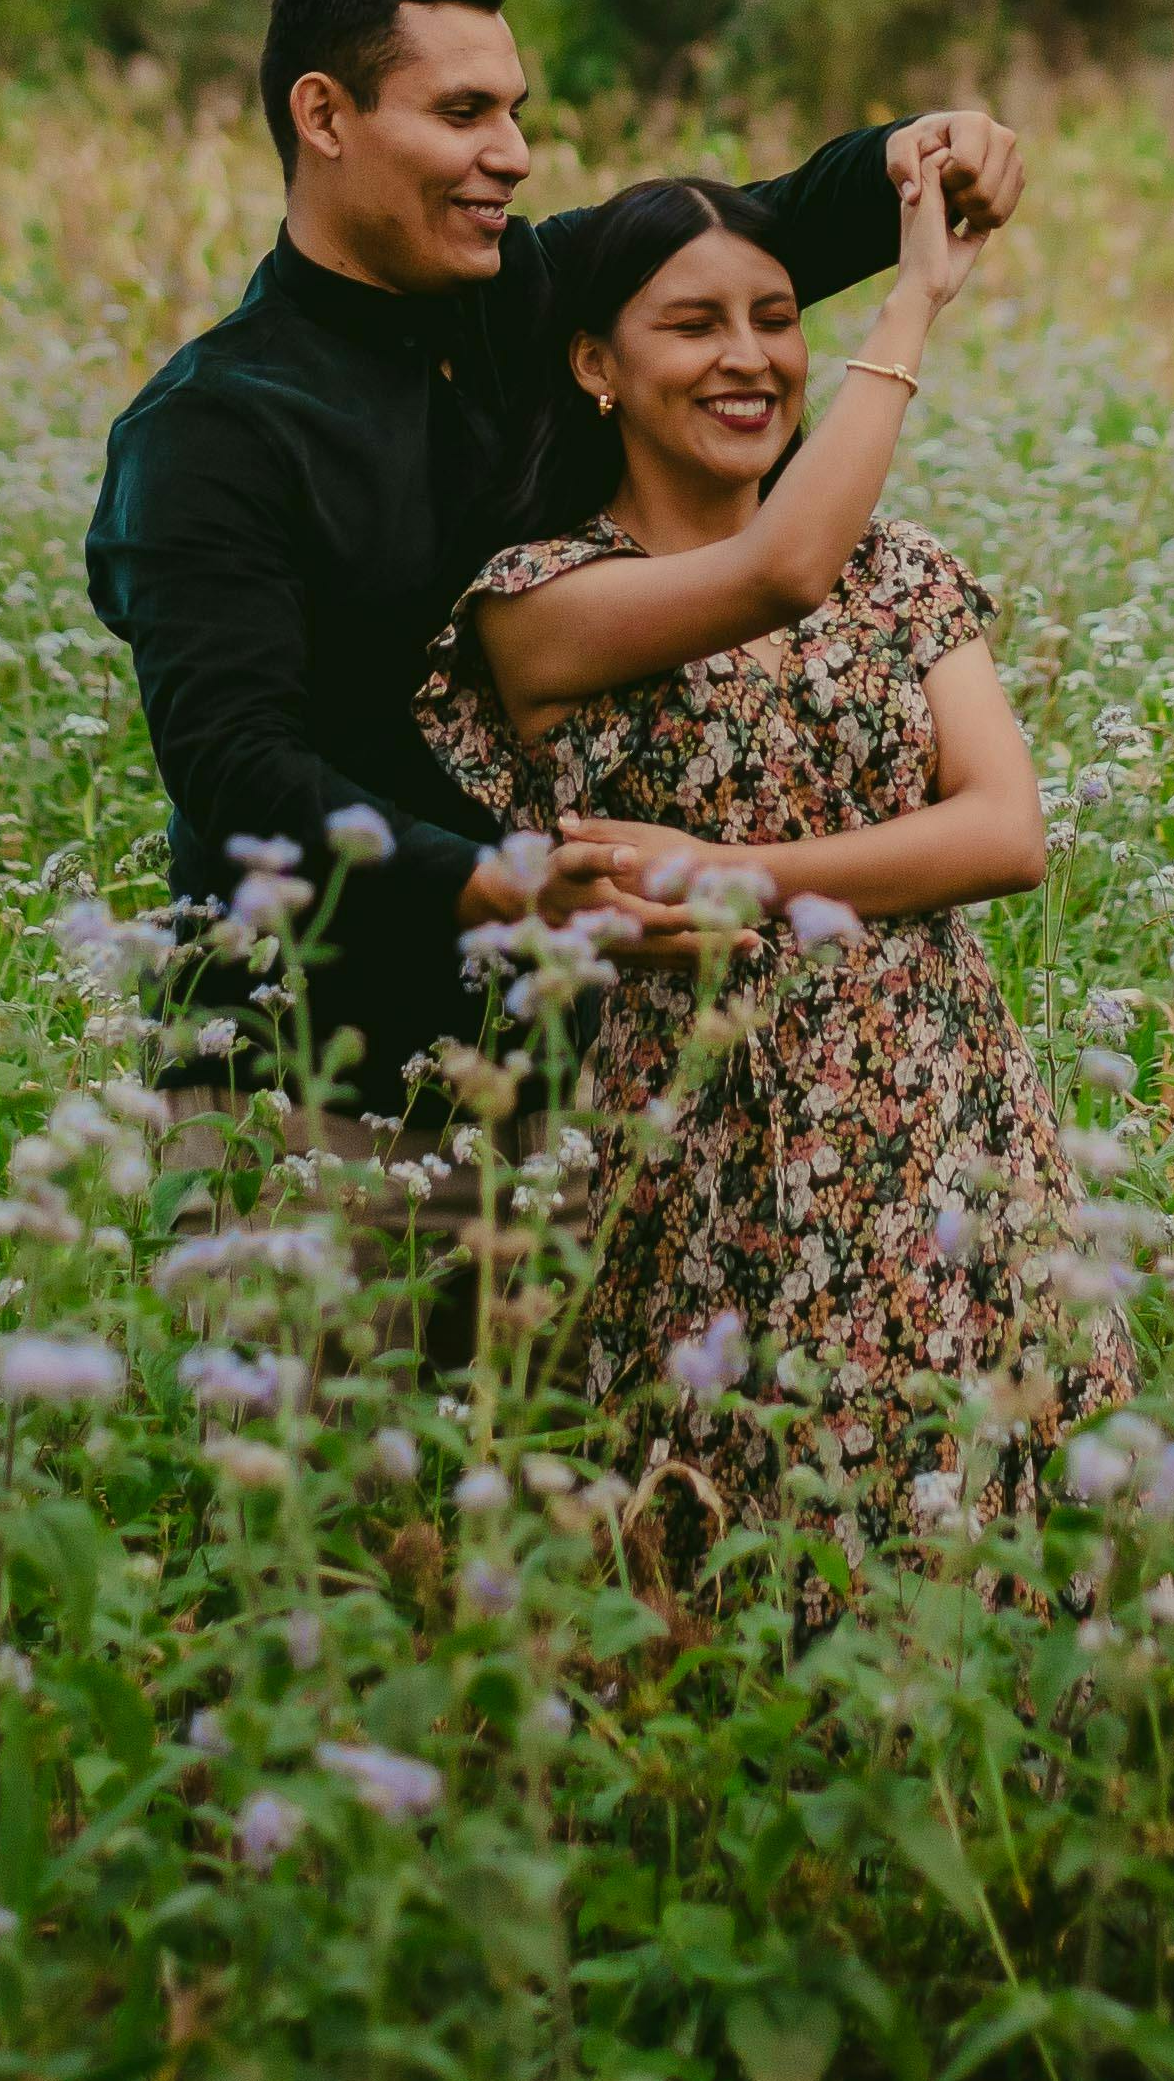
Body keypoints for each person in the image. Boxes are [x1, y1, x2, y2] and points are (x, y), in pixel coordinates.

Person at [83, 0, 1025, 1147]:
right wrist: (490, 885)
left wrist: (916, 150)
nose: (512, 154)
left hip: (565, 1085)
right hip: (307, 1085)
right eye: (462, 112)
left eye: (514, 112)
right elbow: (232, 761)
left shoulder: (522, 293)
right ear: (322, 115)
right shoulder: (208, 427)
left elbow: (764, 230)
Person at [417, 154, 1120, 1533]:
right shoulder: (541, 599)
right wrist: (912, 304)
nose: (749, 357)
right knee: (732, 1530)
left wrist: (734, 877)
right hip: (707, 1144)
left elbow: (1003, 831)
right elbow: (777, 574)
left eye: (778, 318)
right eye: (694, 324)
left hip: (944, 1114)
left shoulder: (896, 569)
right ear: (595, 366)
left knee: (990, 1521)